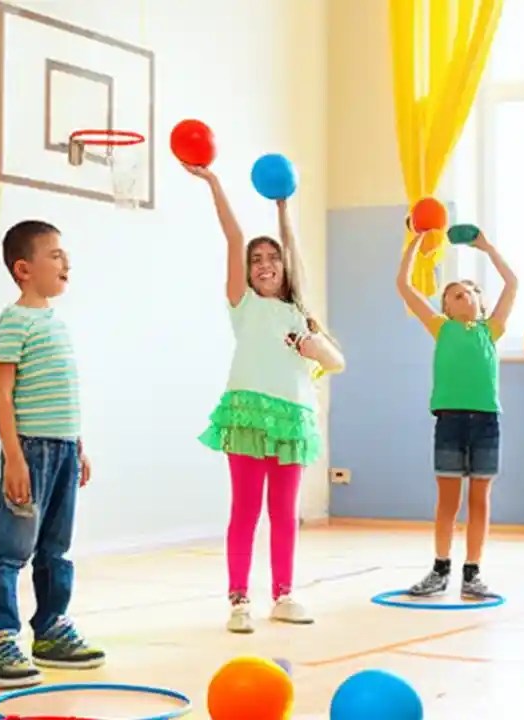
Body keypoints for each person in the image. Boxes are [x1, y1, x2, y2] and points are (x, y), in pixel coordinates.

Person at [185, 163, 345, 633]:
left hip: (292, 420)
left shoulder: (299, 313)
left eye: (271, 258)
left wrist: (284, 210)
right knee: (246, 511)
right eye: (257, 260)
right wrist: (216, 182)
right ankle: (239, 599)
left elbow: (294, 253)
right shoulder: (244, 304)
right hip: (250, 416)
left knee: (284, 515)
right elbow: (234, 238)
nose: (265, 264)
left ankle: (284, 594)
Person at [0, 220, 103, 687]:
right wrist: (13, 456)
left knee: (56, 549)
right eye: (55, 255)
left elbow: (63, 394)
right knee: (11, 550)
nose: (65, 262)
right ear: (24, 268)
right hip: (30, 453)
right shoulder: (13, 322)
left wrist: (78, 446)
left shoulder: (55, 321)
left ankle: (51, 628)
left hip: (64, 451)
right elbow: (3, 394)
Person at [395, 228, 517, 599]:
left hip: (486, 424)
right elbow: (403, 285)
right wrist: (416, 240)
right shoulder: (441, 328)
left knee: (480, 499)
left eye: (468, 293)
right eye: (454, 295)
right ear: (446, 307)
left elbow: (512, 282)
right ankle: (440, 569)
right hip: (449, 422)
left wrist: (487, 247)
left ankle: (472, 573)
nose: (463, 297)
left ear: (479, 302)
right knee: (448, 500)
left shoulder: (491, 330)